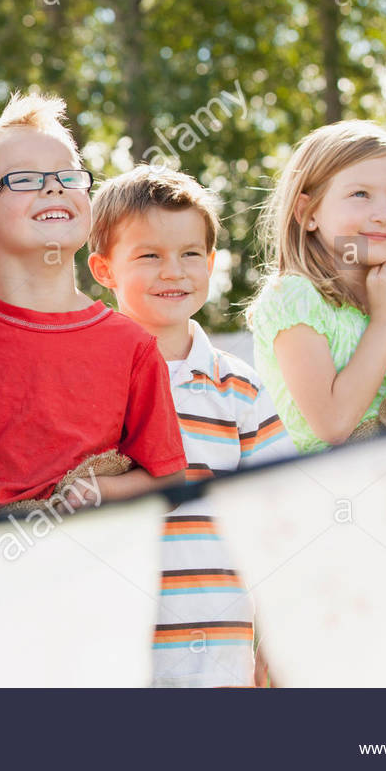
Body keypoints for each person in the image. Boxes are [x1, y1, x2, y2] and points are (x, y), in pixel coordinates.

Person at [0, 92, 187, 521]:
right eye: (24, 179)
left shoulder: (132, 345)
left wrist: (103, 489)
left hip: (82, 565)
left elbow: (169, 477)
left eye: (68, 176)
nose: (54, 185)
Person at [88, 165, 293, 687]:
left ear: (212, 262)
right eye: (149, 255)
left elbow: (280, 515)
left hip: (220, 652)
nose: (173, 272)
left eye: (190, 254)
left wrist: (277, 632)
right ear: (104, 269)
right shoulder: (86, 378)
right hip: (110, 647)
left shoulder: (239, 388)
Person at [246, 121, 386, 453]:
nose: (383, 214)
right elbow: (334, 424)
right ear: (307, 211)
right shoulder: (295, 300)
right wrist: (384, 321)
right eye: (361, 194)